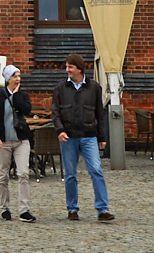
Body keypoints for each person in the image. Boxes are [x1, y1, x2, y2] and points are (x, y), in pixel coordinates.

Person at [53, 54, 113, 222]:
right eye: (66, 67)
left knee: (96, 170)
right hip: (68, 137)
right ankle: (72, 208)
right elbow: (55, 112)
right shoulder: (60, 88)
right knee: (70, 174)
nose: (67, 70)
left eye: (70, 67)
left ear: (79, 68)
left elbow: (99, 114)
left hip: (89, 136)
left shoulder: (94, 87)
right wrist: (60, 130)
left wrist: (102, 137)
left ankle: (103, 209)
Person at [0, 64, 37, 223]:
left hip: (21, 141)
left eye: (19, 76)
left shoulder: (22, 96)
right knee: (3, 175)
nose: (17, 79)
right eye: (14, 76)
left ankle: (24, 209)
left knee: (23, 173)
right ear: (7, 79)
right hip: (3, 142)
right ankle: (5, 208)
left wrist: (16, 96)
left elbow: (26, 110)